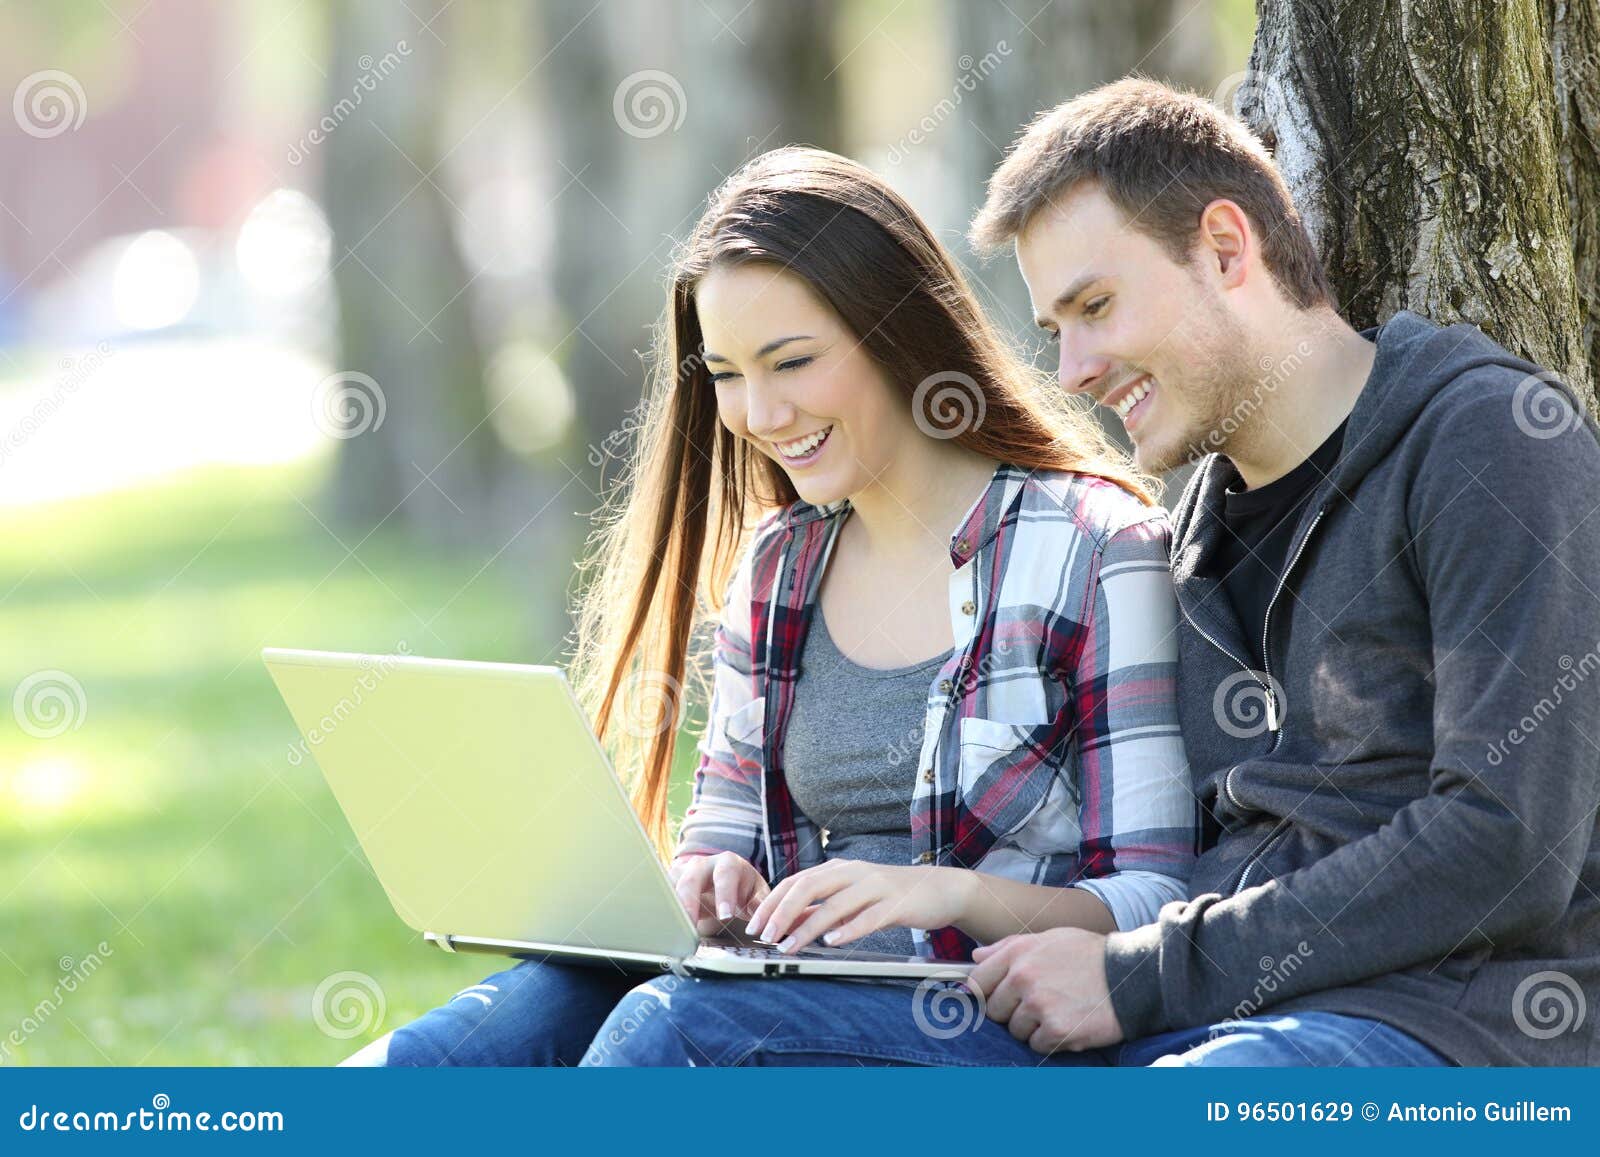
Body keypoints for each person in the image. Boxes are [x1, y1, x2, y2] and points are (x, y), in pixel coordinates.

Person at [344, 145, 1198, 1067]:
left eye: (791, 361)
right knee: (467, 1043)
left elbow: (1151, 897)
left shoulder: (1095, 546)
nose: (757, 411)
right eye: (726, 372)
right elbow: (721, 830)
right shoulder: (781, 564)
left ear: (897, 332)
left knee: (667, 1033)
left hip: (980, 1026)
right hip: (777, 999)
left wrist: (944, 893)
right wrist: (708, 880)